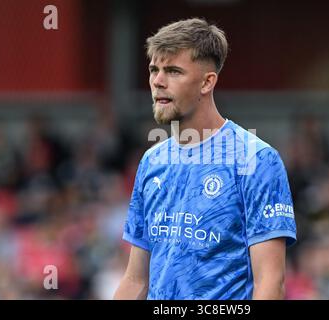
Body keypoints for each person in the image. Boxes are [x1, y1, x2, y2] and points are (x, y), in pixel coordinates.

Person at [114, 18, 296, 300]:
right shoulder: (152, 161)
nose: (158, 82)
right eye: (154, 70)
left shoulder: (256, 160)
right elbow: (136, 279)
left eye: (173, 71)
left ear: (207, 82)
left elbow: (270, 282)